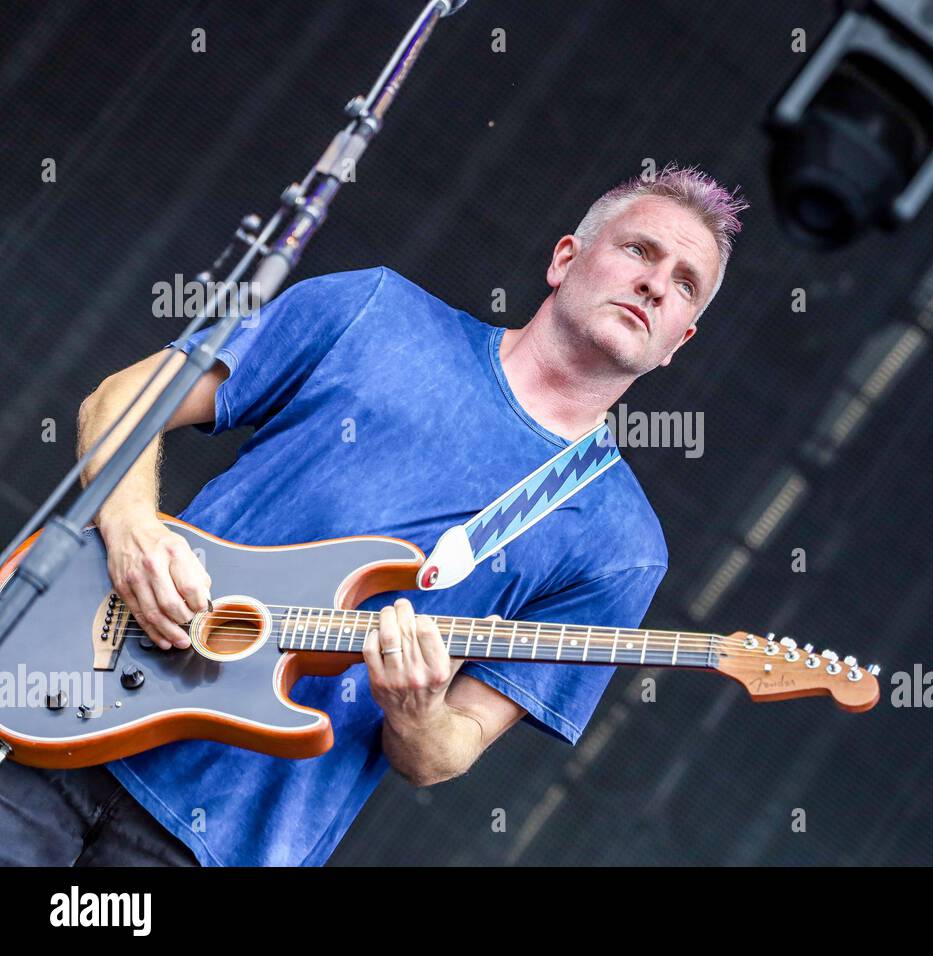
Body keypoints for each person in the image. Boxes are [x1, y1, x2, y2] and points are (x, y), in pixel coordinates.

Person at [0, 163, 747, 866]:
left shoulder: (621, 543)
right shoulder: (376, 311)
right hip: (72, 689)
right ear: (564, 259)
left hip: (223, 841)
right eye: (638, 250)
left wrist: (417, 712)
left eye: (684, 285)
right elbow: (123, 398)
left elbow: (449, 751)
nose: (654, 284)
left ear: (679, 342)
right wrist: (132, 531)